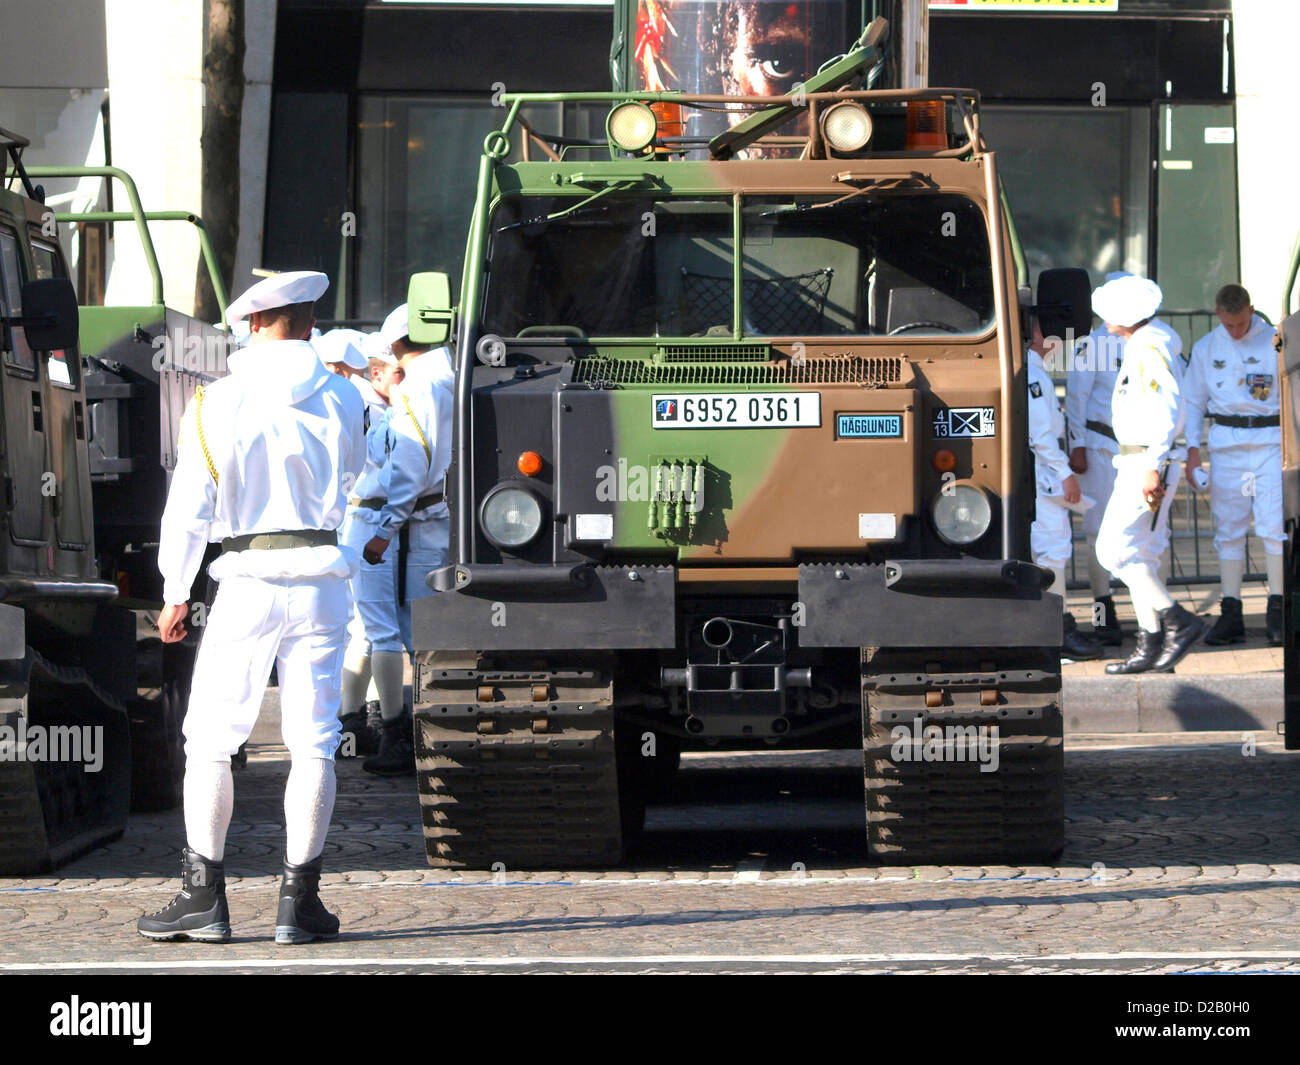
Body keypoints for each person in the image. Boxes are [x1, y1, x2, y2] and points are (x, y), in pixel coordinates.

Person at [138, 270, 365, 944]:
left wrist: (176, 589)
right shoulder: (348, 399)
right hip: (323, 578)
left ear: (257, 323)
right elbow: (357, 481)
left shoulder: (216, 402)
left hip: (246, 582)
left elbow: (188, 507)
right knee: (314, 740)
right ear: (310, 324)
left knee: (210, 740)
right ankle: (301, 903)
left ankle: (202, 896)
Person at [1093, 275, 1206, 674]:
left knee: (1112, 550)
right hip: (1142, 459)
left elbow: (1166, 409)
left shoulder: (1149, 345)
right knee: (1138, 553)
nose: (1103, 319)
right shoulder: (1147, 341)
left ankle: (1178, 621)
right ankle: (1151, 640)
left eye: (1109, 312)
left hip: (1145, 461)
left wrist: (1154, 466)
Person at [360, 304, 454, 775]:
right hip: (432, 518)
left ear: (396, 345)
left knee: (419, 635)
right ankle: (425, 739)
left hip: (420, 519)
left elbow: (410, 467)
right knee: (423, 632)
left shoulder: (419, 384)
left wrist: (383, 531)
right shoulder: (446, 373)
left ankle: (420, 744)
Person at [1183, 283, 1284, 645]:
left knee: (1273, 528)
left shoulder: (1276, 340)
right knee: (1229, 531)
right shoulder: (1208, 347)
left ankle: (1278, 610)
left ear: (1251, 311)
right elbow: (1193, 402)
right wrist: (1192, 450)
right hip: (1227, 449)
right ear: (1218, 315)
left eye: (1241, 324)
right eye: (1229, 325)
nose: (1236, 331)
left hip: (1270, 444)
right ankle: (1231, 611)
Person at [1029, 319, 1101, 660]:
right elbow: (1040, 435)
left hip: (1040, 468)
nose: (1053, 339)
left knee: (1045, 550)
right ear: (1034, 337)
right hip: (1041, 470)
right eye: (1046, 332)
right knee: (1052, 550)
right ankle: (1055, 632)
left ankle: (1051, 629)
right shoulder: (1031, 375)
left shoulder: (1033, 371)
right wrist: (1064, 475)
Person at [1066, 273, 1126, 645]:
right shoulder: (1093, 344)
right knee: (1097, 532)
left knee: (1150, 534)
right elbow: (1076, 398)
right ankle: (1103, 614)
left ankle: (1153, 615)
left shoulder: (1149, 341)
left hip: (1136, 449)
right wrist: (1077, 446)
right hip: (1100, 445)